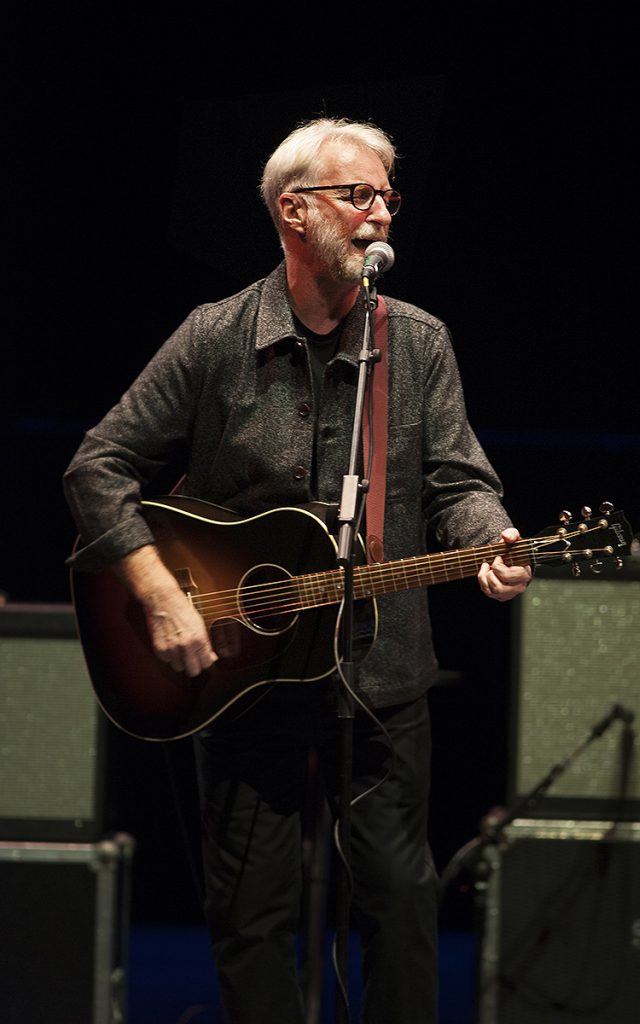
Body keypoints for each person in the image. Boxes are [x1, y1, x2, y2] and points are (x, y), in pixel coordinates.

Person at [63, 116, 532, 1024]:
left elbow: (459, 480)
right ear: (294, 210)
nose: (379, 214)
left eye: (387, 198)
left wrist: (492, 536)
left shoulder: (416, 342)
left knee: (400, 901)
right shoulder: (215, 336)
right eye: (357, 195)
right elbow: (97, 467)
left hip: (380, 671)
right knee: (250, 915)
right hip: (239, 675)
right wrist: (158, 592)